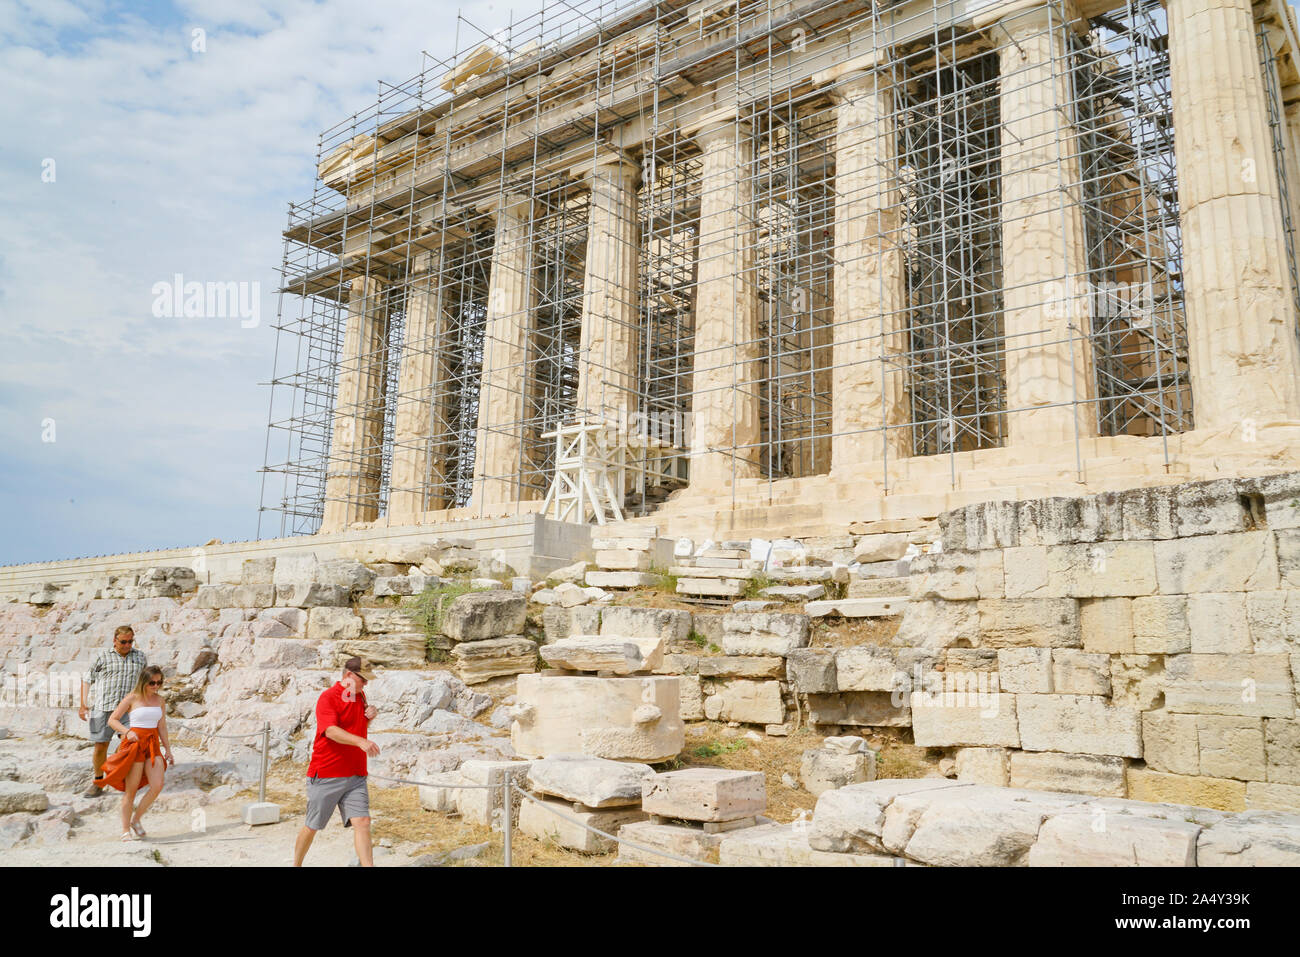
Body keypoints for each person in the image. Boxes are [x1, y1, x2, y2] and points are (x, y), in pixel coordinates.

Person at [294, 658, 380, 867]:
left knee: (363, 822)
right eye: (363, 680)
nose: (366, 684)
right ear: (350, 675)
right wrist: (361, 741)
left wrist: (371, 716)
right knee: (313, 825)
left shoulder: (360, 696)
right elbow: (331, 731)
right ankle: (296, 864)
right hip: (327, 774)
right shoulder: (328, 697)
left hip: (355, 774)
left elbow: (355, 725)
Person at [95, 665, 174, 841]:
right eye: (152, 683)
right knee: (131, 790)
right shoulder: (132, 698)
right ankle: (125, 830)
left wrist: (168, 749)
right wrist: (127, 731)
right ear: (144, 681)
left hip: (153, 745)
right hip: (134, 745)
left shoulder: (160, 700)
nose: (156, 686)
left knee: (157, 785)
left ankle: (136, 819)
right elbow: (112, 720)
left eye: (159, 682)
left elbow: (162, 726)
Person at [79, 625, 147, 797]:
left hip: (128, 710)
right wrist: (83, 704)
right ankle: (98, 782)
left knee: (131, 743)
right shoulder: (102, 657)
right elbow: (87, 679)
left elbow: (144, 683)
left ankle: (115, 772)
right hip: (103, 709)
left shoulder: (140, 657)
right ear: (114, 641)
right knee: (101, 746)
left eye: (130, 641)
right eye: (123, 642)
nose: (127, 645)